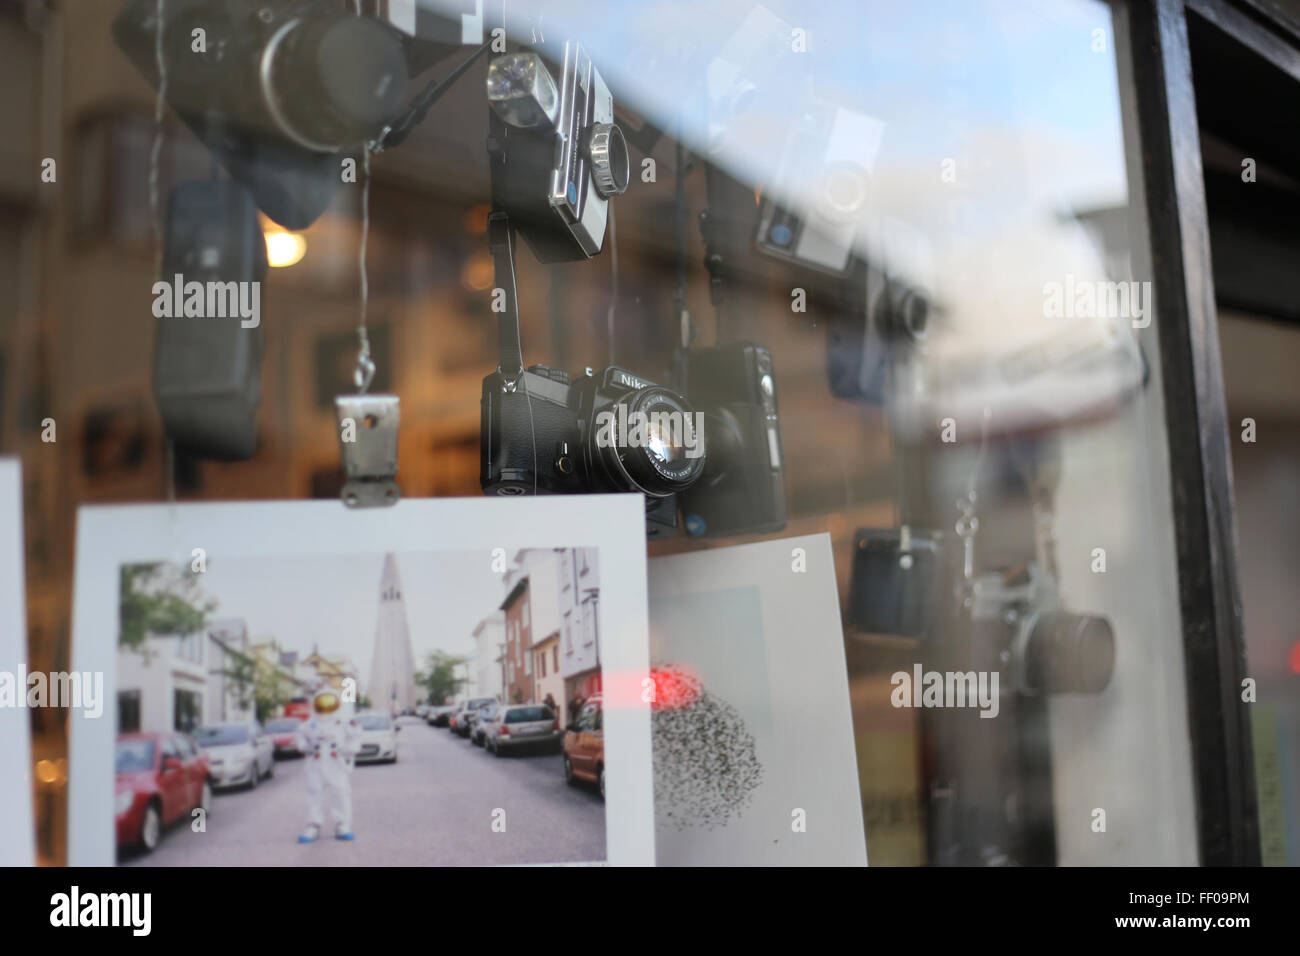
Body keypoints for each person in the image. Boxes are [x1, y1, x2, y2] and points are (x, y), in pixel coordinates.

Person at [294, 687, 360, 843]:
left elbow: (355, 738)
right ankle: (313, 826)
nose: (325, 707)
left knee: (341, 793)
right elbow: (300, 736)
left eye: (328, 703)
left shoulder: (344, 722)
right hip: (316, 761)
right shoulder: (310, 724)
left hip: (336, 761)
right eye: (321, 703)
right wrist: (306, 747)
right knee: (314, 793)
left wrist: (346, 749)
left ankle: (343, 825)